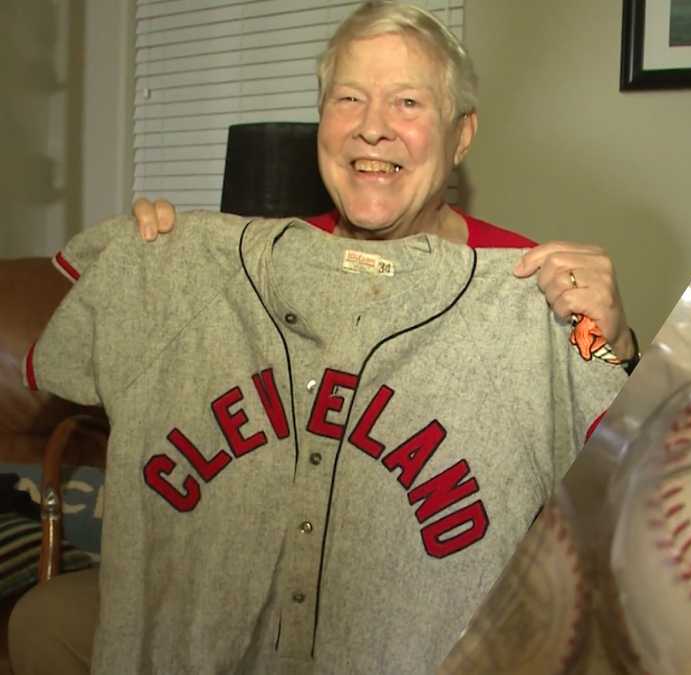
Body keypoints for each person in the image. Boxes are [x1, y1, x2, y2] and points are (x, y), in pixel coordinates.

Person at [10, 3, 636, 673]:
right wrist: (151, 267)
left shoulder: (526, 285)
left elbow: (621, 470)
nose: (373, 128)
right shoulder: (219, 263)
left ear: (460, 136)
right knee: (45, 620)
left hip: (409, 641)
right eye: (349, 99)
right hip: (215, 626)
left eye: (407, 102)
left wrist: (612, 336)